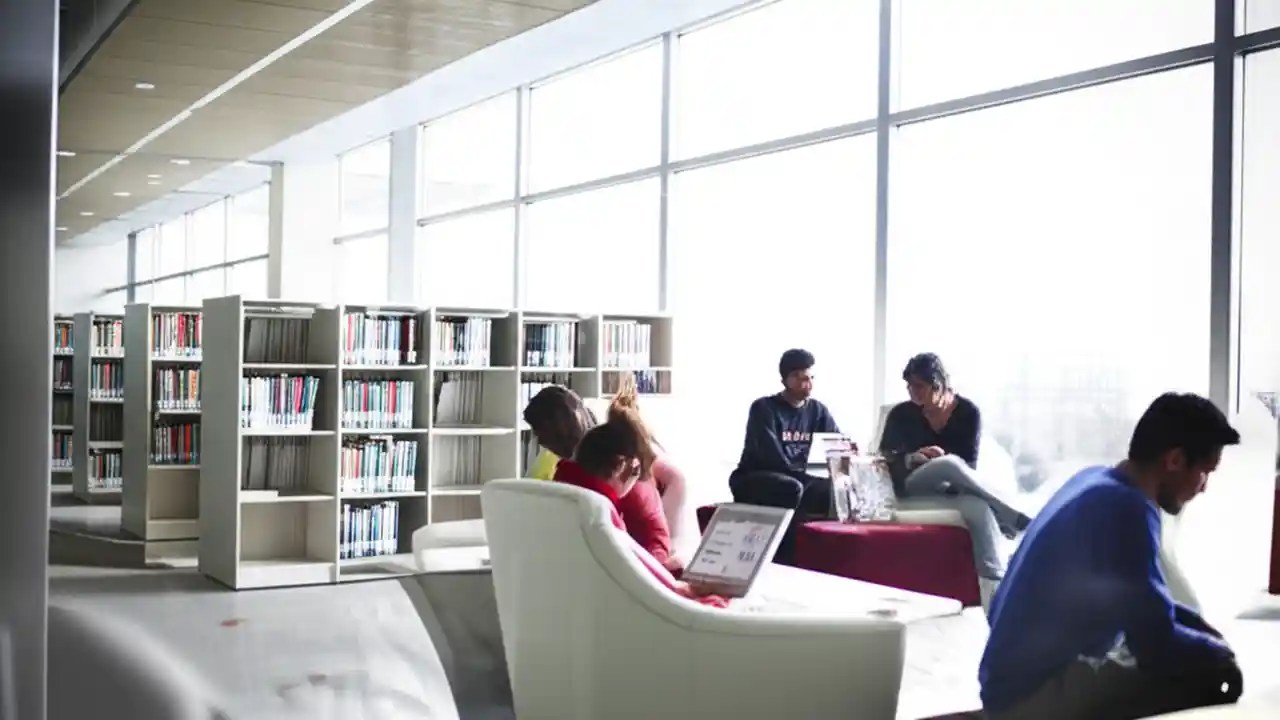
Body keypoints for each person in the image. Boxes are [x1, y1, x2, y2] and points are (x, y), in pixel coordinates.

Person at [980, 392, 1244, 720]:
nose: (1204, 487)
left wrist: (1199, 631)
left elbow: (1147, 604)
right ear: (1174, 460)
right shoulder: (1127, 509)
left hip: (1005, 687)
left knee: (1189, 651)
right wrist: (1220, 654)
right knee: (1212, 675)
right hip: (1031, 699)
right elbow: (1155, 646)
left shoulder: (1095, 482)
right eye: (1206, 471)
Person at [553, 405, 727, 609]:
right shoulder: (600, 513)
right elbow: (639, 575)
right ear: (625, 466)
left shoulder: (558, 493)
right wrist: (690, 588)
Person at [879, 353, 1030, 584]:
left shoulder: (967, 413)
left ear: (938, 386)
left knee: (976, 507)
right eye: (909, 387)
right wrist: (914, 458)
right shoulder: (902, 414)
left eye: (919, 387)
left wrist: (943, 463)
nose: (912, 393)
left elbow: (968, 467)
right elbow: (885, 460)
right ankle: (1012, 516)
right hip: (909, 486)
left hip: (951, 488)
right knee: (948, 463)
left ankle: (995, 581)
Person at [523, 382, 686, 572]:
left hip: (639, 566)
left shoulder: (614, 469)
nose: (543, 442)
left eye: (546, 433)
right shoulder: (576, 467)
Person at [729, 348, 842, 563]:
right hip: (757, 476)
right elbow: (771, 458)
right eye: (798, 378)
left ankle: (821, 560)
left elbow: (835, 445)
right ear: (784, 379)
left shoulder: (818, 411)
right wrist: (807, 477)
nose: (805, 384)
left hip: (801, 478)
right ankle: (783, 559)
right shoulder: (764, 408)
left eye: (809, 378)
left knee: (833, 488)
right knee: (791, 487)